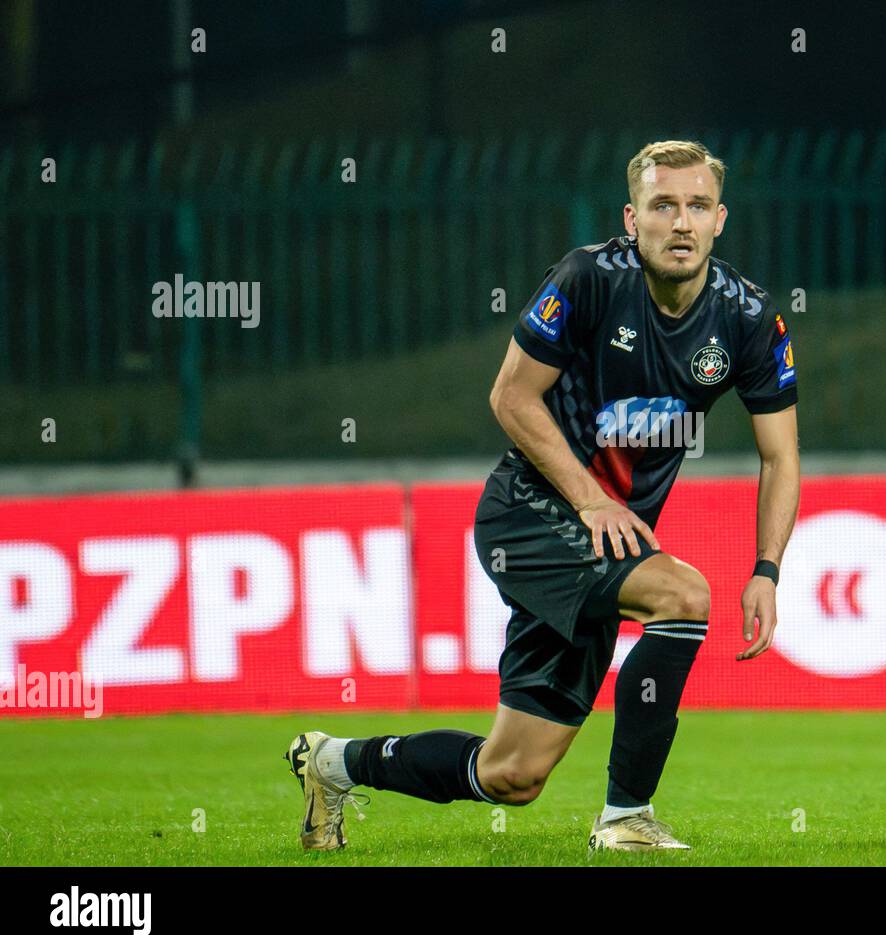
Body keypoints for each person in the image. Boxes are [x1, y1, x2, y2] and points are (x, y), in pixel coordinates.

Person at [286, 139, 801, 852]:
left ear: (721, 220)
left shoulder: (746, 319)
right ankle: (627, 821)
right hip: (527, 517)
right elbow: (511, 396)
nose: (680, 223)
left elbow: (780, 456)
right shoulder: (589, 279)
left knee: (511, 775)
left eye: (697, 206)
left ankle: (332, 763)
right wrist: (590, 500)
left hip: (606, 543)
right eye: (662, 206)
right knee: (682, 596)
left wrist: (767, 569)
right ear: (632, 217)